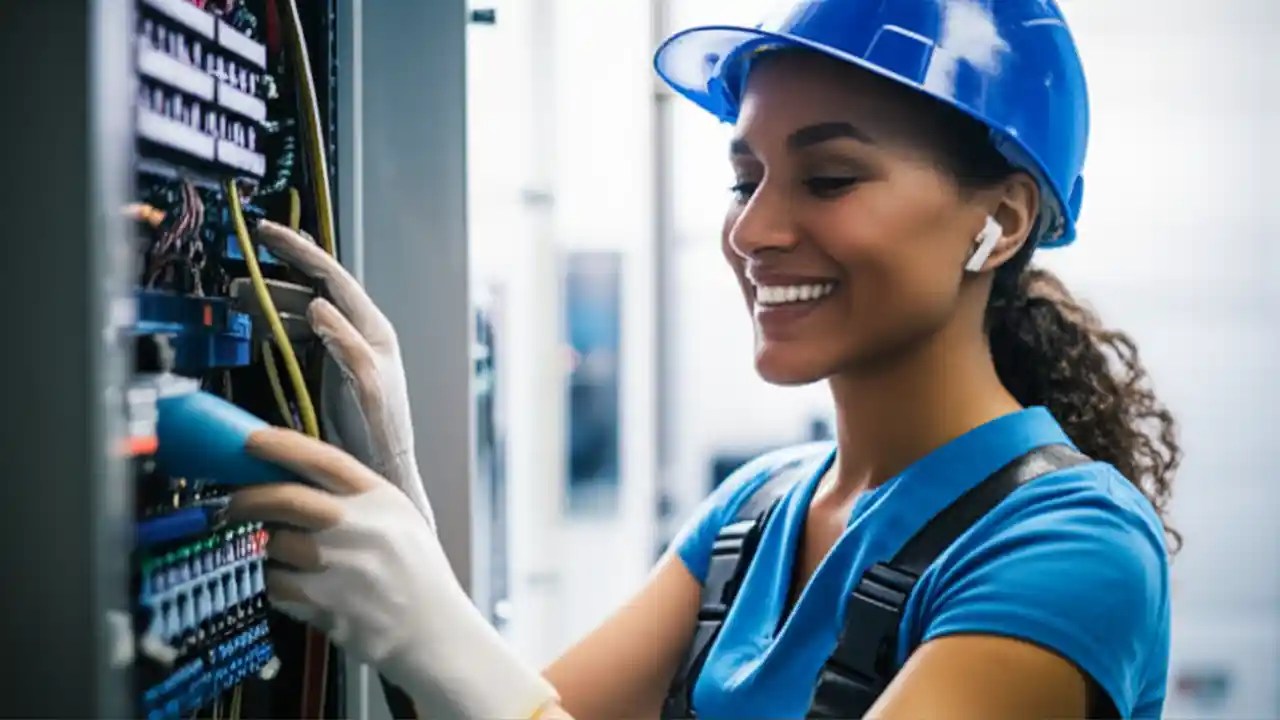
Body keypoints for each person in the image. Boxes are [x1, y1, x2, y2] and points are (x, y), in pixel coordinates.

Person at [229, 0, 1181, 717]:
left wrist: (434, 630)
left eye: (830, 177)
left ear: (1000, 222)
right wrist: (403, 511)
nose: (754, 229)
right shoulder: (756, 515)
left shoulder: (1070, 548)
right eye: (744, 179)